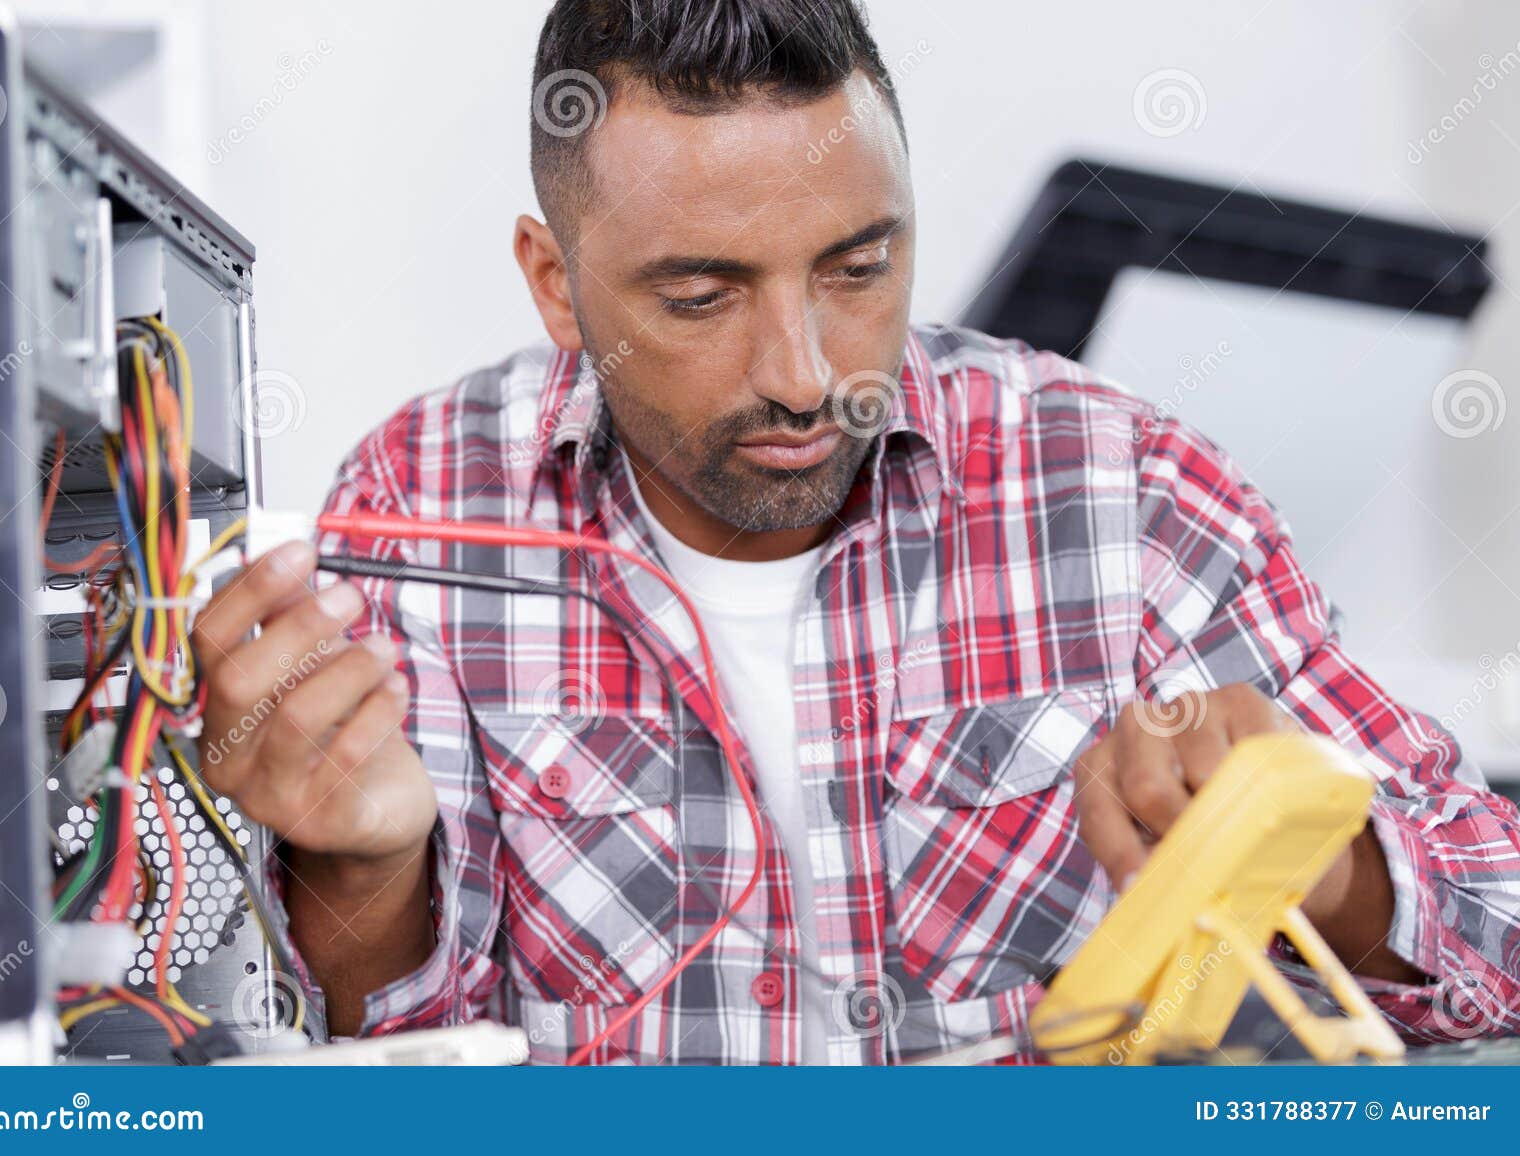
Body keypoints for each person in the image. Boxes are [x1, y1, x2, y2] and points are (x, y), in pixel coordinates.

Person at [190, 0, 1520, 1064]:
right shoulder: (426, 504)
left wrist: (1315, 856)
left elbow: (1498, 918)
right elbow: (387, 1047)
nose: (805, 372)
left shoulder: (1123, 491)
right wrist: (362, 866)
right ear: (557, 283)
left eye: (857, 269)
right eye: (702, 294)